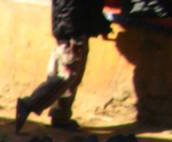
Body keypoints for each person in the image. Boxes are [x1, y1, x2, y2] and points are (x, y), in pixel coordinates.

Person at [16, 0, 110, 131]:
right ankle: (29, 104)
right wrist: (73, 36)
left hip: (78, 29)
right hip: (72, 32)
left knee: (74, 77)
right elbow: (69, 8)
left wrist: (101, 25)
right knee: (66, 76)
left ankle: (61, 116)